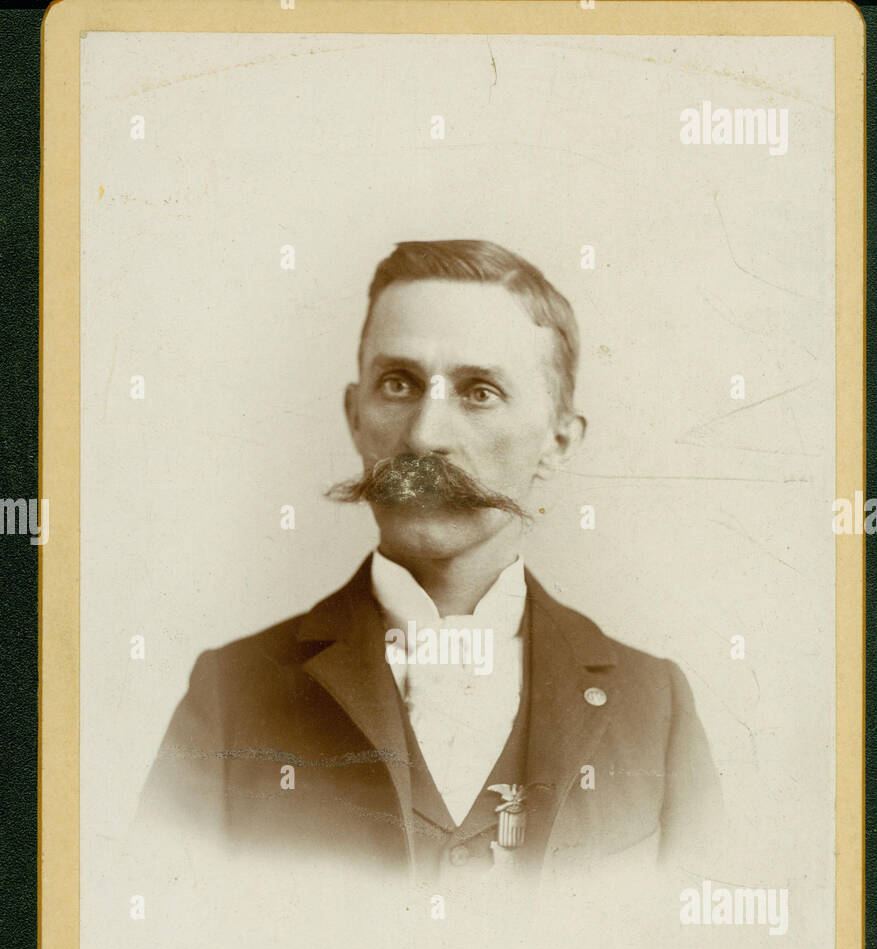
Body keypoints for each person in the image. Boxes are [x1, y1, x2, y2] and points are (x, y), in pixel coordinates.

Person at [139, 239, 722, 889]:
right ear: (356, 417)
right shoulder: (230, 695)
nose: (423, 437)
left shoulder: (654, 706)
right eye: (398, 385)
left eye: (478, 392)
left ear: (556, 443)